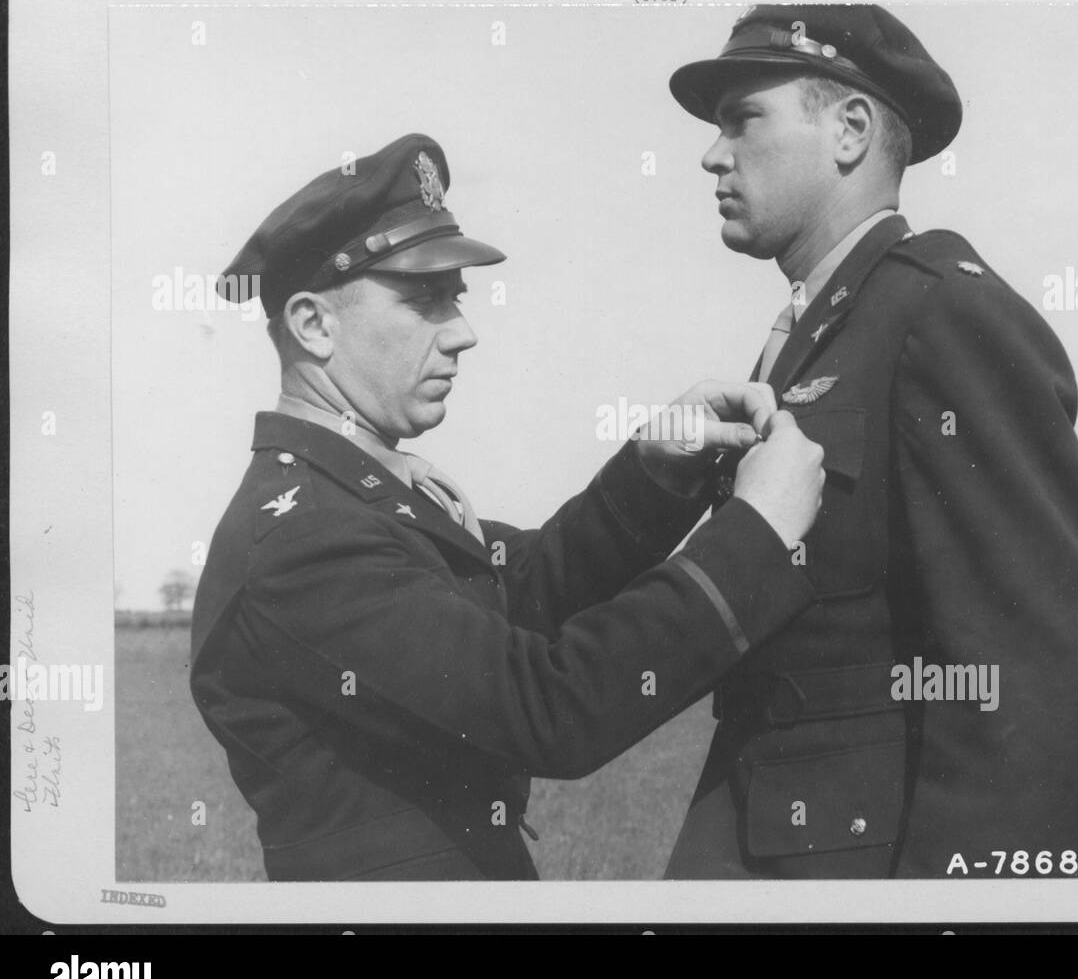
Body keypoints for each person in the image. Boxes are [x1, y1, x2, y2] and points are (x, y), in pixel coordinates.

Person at [190, 133, 826, 881]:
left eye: (456, 298)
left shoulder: (350, 501)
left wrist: (655, 471)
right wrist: (754, 538)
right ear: (313, 325)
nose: (464, 332)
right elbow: (544, 706)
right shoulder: (307, 538)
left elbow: (522, 586)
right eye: (425, 298)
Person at [663, 5, 1078, 878]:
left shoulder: (940, 311)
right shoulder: (823, 326)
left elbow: (1034, 669)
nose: (712, 154)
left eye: (742, 119)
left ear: (850, 130)